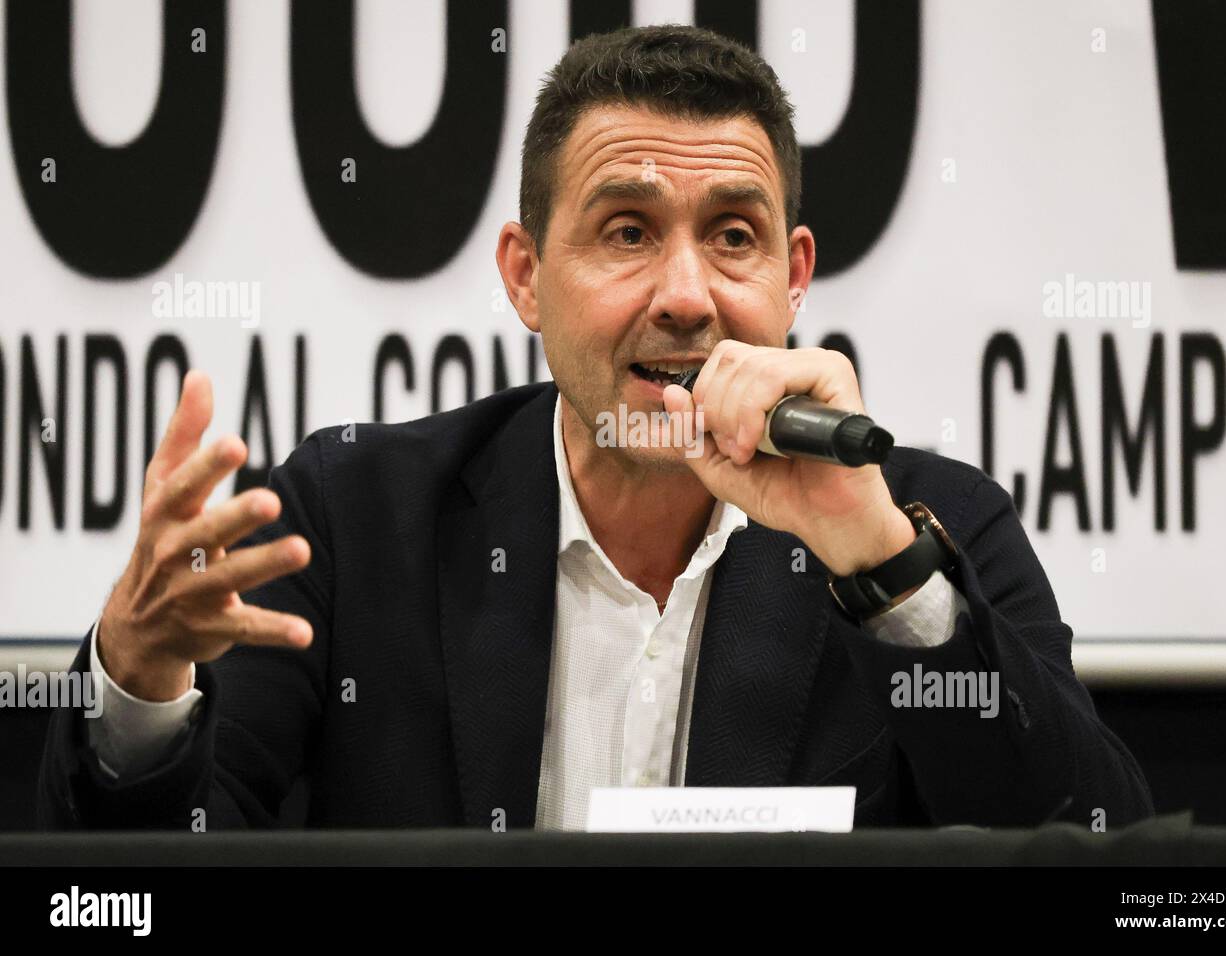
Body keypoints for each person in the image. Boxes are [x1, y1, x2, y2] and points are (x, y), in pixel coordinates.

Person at [39, 24, 1153, 831]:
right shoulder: (351, 517)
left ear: (793, 274)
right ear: (526, 277)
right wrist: (137, 687)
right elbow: (132, 899)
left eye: (733, 236)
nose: (686, 294)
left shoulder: (924, 524)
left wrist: (883, 571)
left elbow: (1101, 862)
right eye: (626, 231)